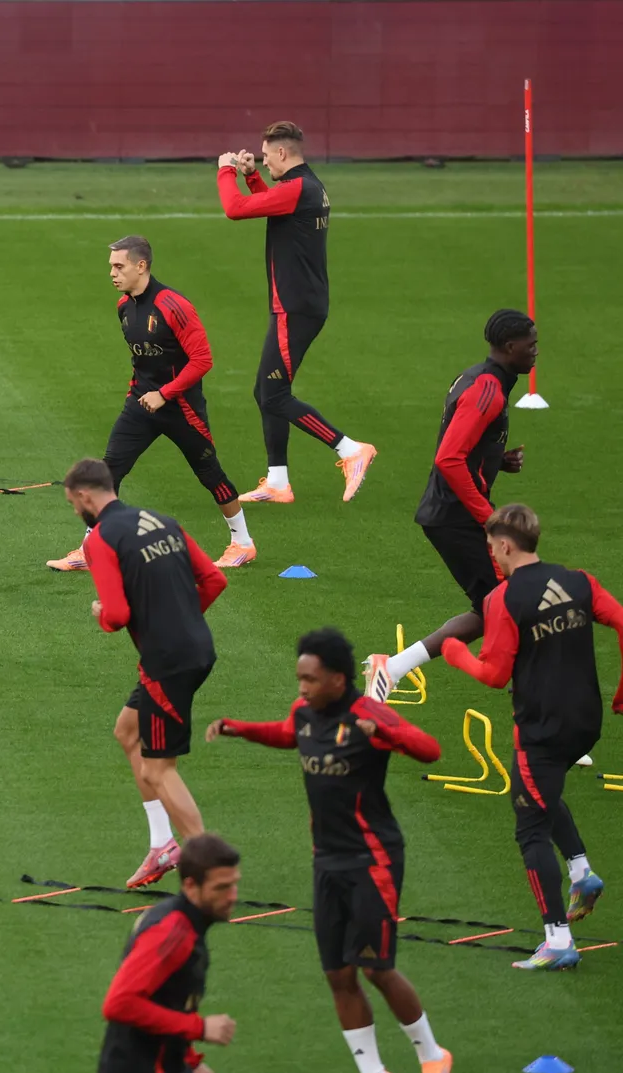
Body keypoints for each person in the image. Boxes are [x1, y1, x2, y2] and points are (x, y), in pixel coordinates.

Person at [207, 629, 452, 1073]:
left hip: (372, 861)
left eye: (310, 679)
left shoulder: (368, 714)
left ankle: (432, 1056)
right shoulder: (305, 713)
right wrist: (237, 728)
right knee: (339, 974)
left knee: (376, 969)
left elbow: (431, 750)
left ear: (338, 679)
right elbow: (287, 734)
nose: (302, 687)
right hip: (327, 861)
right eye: (300, 678)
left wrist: (386, 734)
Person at [440, 504, 623, 971]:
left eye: (492, 549)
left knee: (530, 827)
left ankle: (558, 940)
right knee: (540, 792)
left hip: (543, 726)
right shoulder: (579, 581)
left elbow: (495, 675)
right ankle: (581, 872)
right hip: (585, 722)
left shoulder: (503, 600)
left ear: (504, 545)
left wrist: (455, 651)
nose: (491, 558)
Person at [63, 458, 227, 888]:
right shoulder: (161, 519)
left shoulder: (100, 539)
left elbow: (116, 614)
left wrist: (102, 615)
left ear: (83, 497)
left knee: (159, 769)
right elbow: (213, 579)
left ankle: (206, 864)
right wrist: (184, 622)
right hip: (193, 648)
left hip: (166, 662)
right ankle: (162, 844)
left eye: (72, 503)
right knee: (128, 731)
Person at [49, 237, 256, 573]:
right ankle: (91, 549)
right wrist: (139, 394)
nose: (112, 274)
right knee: (110, 469)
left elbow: (202, 359)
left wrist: (165, 393)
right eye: (111, 267)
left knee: (209, 472)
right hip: (141, 405)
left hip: (181, 408)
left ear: (141, 266)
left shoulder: (174, 305)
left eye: (119, 267)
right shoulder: (124, 307)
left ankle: (243, 543)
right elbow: (142, 362)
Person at [365, 310, 538, 701]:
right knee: (515, 607)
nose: (536, 352)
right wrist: (488, 517)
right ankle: (540, 716)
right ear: (510, 347)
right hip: (458, 517)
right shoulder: (487, 390)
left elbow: (463, 447)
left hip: (452, 512)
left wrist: (497, 458)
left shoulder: (478, 378)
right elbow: (448, 458)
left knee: (490, 609)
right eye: (531, 344)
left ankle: (390, 669)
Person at [216, 121, 377, 503]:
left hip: (296, 307)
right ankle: (276, 482)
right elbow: (275, 204)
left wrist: (226, 171)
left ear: (283, 153)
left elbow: (235, 210)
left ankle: (350, 449)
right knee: (266, 389)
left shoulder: (300, 188)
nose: (264, 161)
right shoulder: (307, 186)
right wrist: (254, 176)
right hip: (298, 304)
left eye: (266, 156)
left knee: (273, 395)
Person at [97, 833, 240, 1073]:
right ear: (190, 886)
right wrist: (201, 1028)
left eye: (233, 884)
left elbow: (168, 1000)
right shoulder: (172, 933)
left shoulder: (186, 921)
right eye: (221, 888)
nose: (232, 897)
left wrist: (190, 1062)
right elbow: (119, 1004)